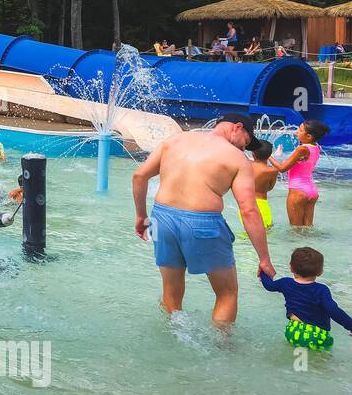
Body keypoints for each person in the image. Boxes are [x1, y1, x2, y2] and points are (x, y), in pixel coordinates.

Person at [132, 113, 275, 332]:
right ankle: (222, 351)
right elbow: (248, 210)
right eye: (246, 142)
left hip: (160, 219)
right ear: (237, 127)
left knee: (170, 291)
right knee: (227, 293)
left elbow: (139, 176)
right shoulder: (236, 159)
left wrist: (141, 217)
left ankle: (174, 339)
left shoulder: (175, 140)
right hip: (203, 224)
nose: (245, 148)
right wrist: (264, 258)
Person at [258, 247, 352, 352]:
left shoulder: (285, 283)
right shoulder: (321, 290)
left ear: (291, 268)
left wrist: (263, 271)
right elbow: (333, 310)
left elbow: (269, 286)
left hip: (294, 332)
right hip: (317, 336)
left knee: (298, 360)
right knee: (319, 363)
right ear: (320, 271)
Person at [285, 119, 329, 227]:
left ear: (309, 136)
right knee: (308, 228)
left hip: (298, 191)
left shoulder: (302, 149)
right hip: (312, 190)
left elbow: (282, 168)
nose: (296, 132)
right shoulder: (316, 147)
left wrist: (268, 156)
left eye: (300, 130)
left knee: (296, 230)